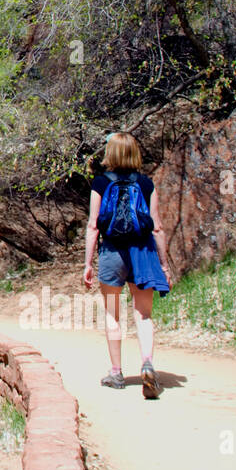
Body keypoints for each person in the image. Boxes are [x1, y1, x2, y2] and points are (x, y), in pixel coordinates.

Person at [81, 132, 173, 400]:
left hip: (111, 252)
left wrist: (87, 264)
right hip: (142, 252)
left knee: (113, 314)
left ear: (110, 153)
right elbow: (156, 227)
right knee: (143, 314)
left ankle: (117, 373)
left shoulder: (100, 182)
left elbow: (92, 225)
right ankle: (147, 363)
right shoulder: (146, 183)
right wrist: (164, 266)